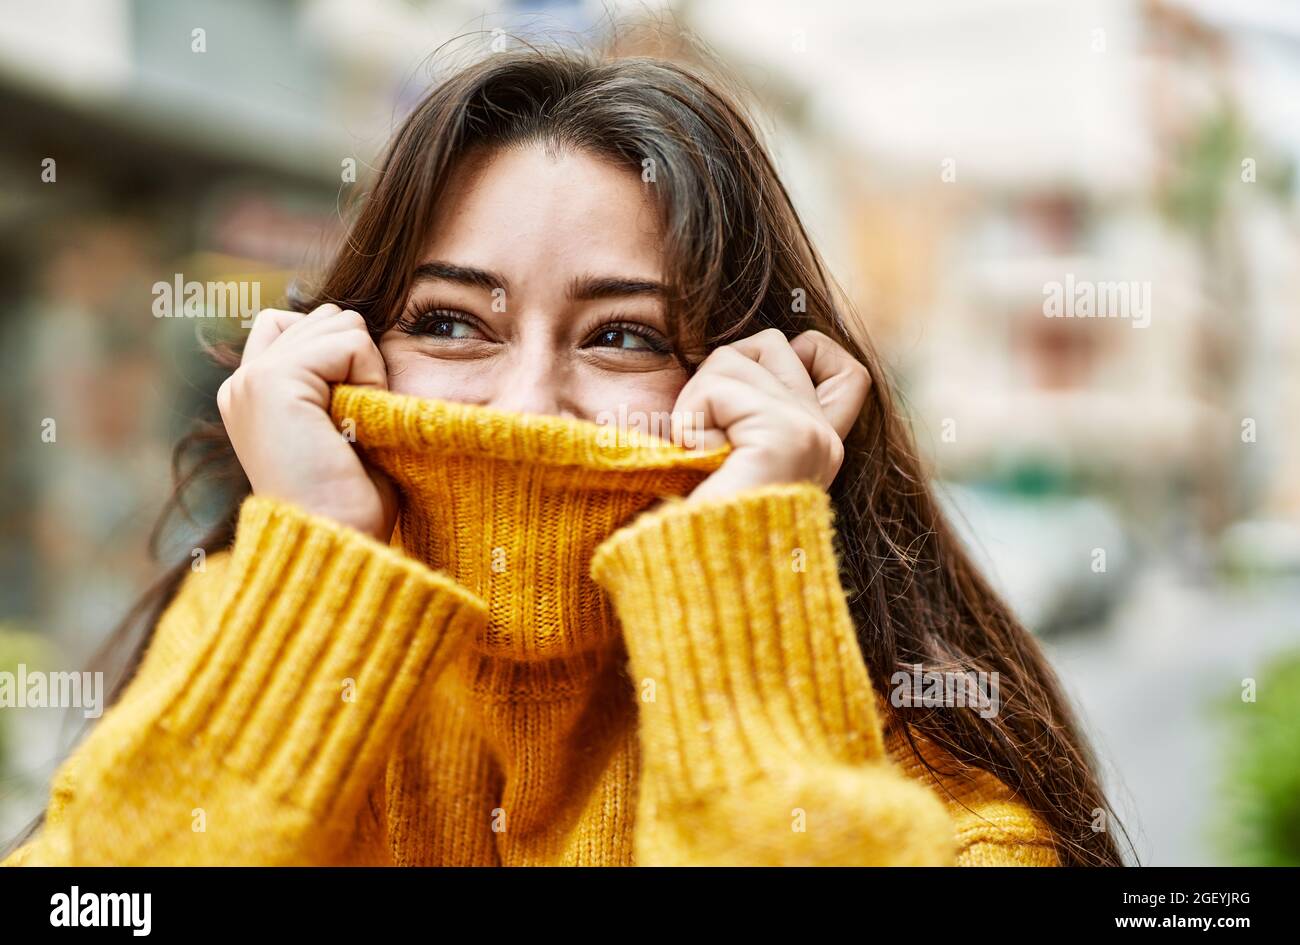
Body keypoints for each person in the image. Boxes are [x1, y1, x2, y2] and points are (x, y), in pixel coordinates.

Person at [2, 42, 1128, 866]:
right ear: (344, 352)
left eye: (625, 335)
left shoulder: (952, 832)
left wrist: (741, 574)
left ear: (753, 389)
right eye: (450, 321)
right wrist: (314, 555)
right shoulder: (241, 638)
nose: (530, 401)